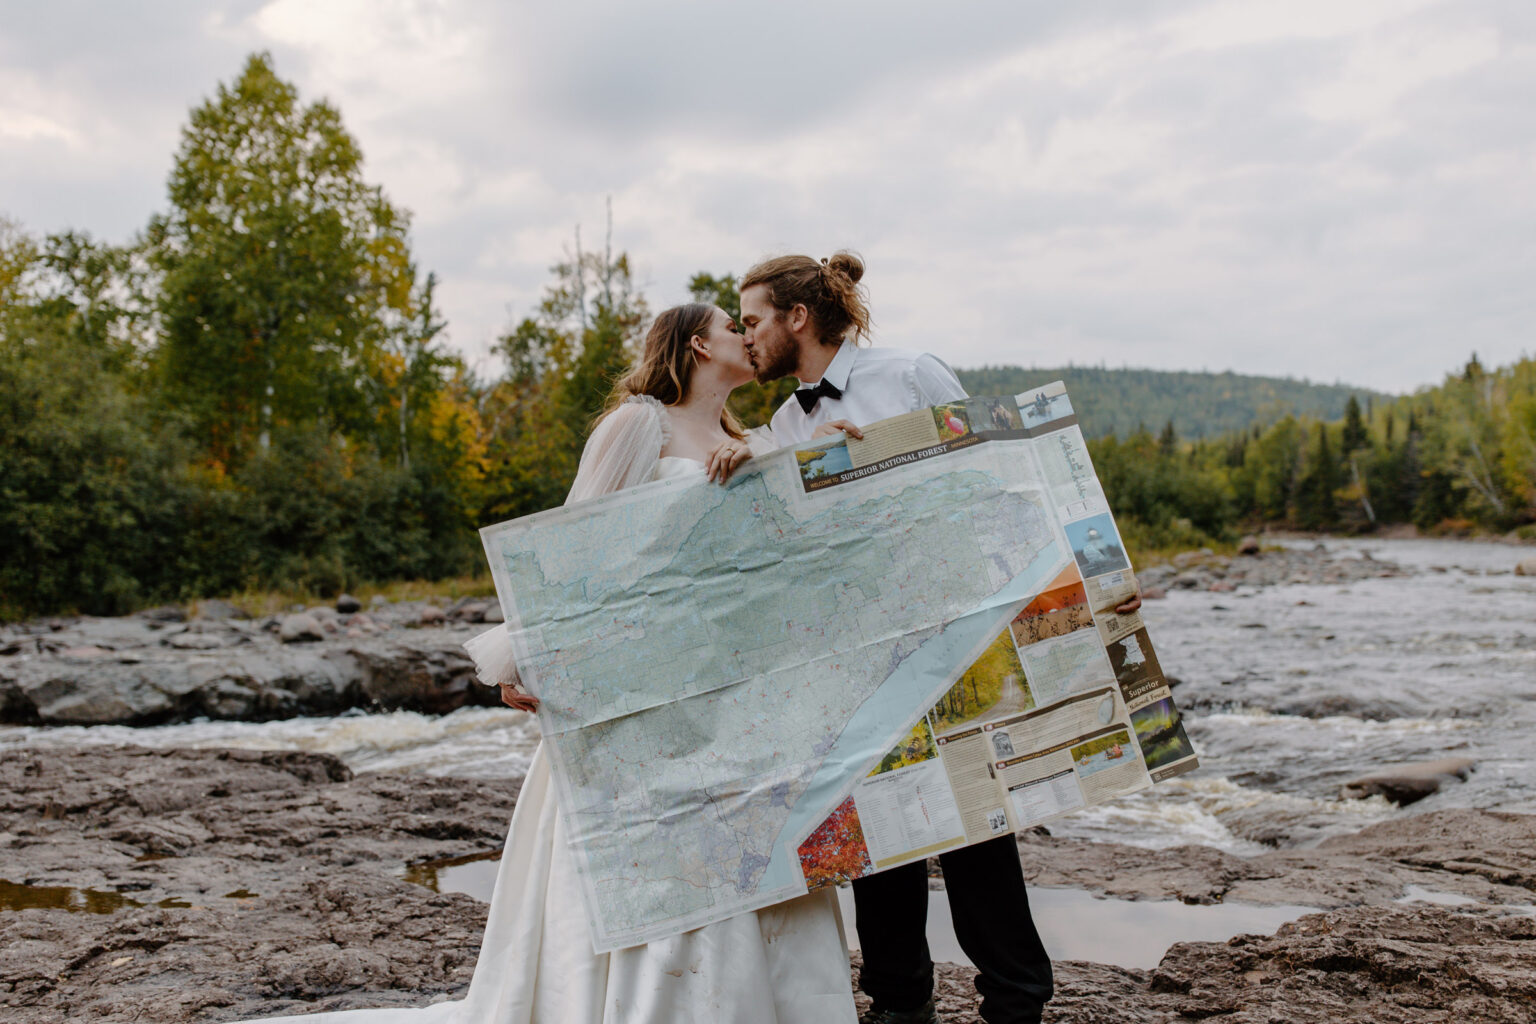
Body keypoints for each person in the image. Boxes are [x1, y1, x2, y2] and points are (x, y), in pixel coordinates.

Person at [241, 304, 857, 1024]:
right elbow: (573, 554)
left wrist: (838, 454)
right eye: (735, 328)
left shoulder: (748, 436)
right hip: (644, 685)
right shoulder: (638, 425)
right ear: (697, 344)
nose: (750, 339)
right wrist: (529, 656)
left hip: (727, 688)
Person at [739, 251, 1142, 1024]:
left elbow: (998, 477)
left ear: (797, 317)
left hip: (952, 637)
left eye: (753, 320)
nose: (746, 336)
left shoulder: (912, 373)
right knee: (876, 832)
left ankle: (1016, 1000)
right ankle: (899, 1005)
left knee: (975, 827)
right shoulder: (785, 421)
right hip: (856, 655)